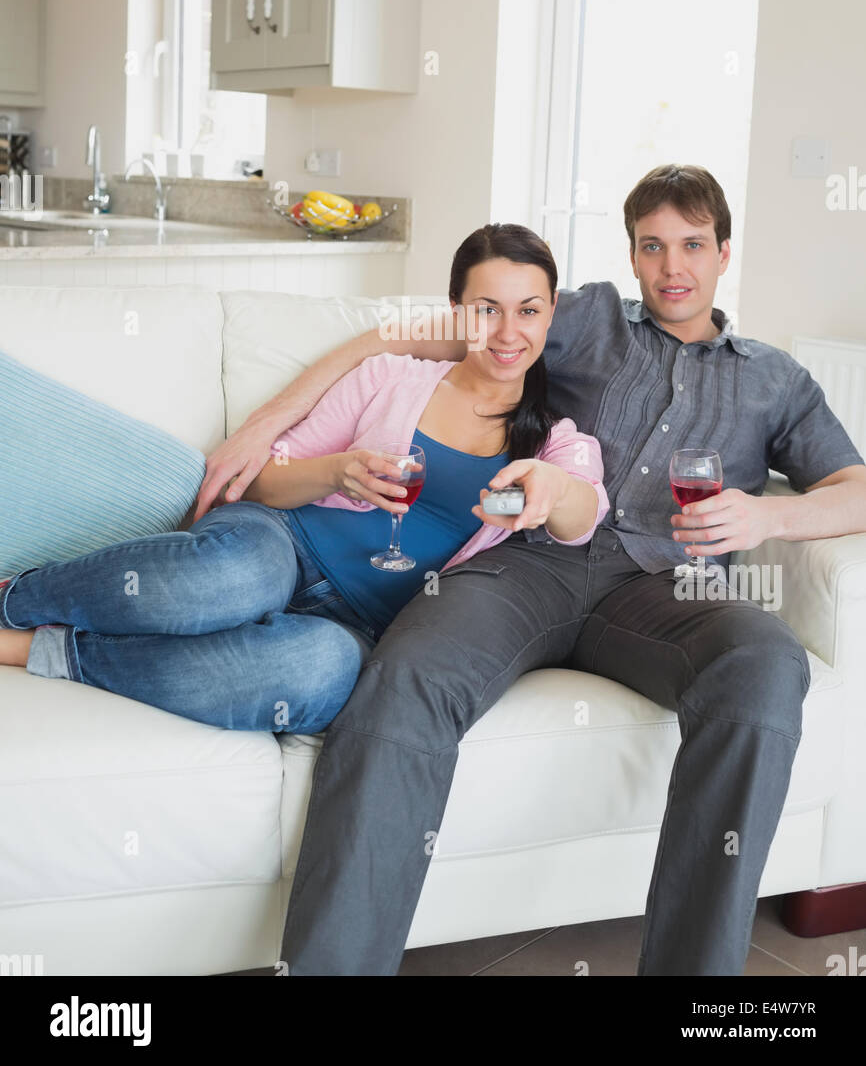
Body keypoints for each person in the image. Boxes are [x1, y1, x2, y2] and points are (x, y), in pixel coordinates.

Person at [195, 162, 866, 977]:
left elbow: (854, 487)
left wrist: (770, 516)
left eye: (692, 245)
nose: (672, 267)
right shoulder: (580, 317)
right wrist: (267, 422)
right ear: (631, 255)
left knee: (766, 663)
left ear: (725, 252)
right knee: (409, 673)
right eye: (651, 247)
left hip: (667, 591)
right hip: (526, 563)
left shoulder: (776, 379)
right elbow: (395, 334)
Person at [0, 225, 606, 734]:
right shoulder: (392, 377)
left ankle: (48, 652)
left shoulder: (555, 440)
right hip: (280, 544)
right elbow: (263, 482)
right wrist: (334, 471)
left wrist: (552, 489)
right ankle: (14, 599)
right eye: (486, 309)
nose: (507, 332)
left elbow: (583, 512)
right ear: (455, 311)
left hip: (355, 625)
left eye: (528, 310)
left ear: (550, 313)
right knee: (240, 578)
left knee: (317, 673)